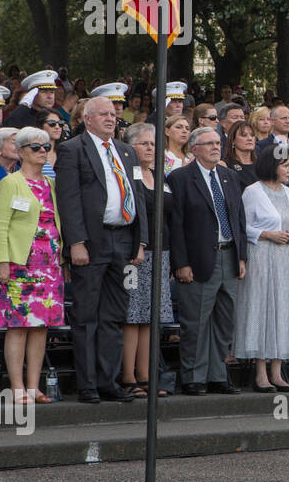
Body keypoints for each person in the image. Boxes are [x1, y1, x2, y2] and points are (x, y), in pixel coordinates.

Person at [54, 96, 148, 403]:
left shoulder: (126, 151)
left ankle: (109, 381)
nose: (111, 118)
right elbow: (68, 200)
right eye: (104, 114)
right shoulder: (72, 149)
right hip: (91, 243)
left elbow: (138, 197)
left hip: (123, 241)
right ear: (87, 118)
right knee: (86, 315)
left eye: (113, 114)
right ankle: (88, 384)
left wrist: (141, 241)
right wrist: (76, 242)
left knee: (114, 315)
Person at [169, 127, 247, 396]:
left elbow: (239, 219)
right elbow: (176, 224)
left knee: (225, 321)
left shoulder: (229, 177)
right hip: (198, 259)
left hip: (229, 255)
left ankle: (217, 374)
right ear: (195, 149)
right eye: (209, 143)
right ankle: (193, 376)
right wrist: (181, 263)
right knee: (197, 322)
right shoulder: (180, 178)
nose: (216, 147)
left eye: (218, 142)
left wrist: (242, 256)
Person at [234, 145, 289, 392]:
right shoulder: (253, 192)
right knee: (263, 308)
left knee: (283, 310)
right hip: (262, 256)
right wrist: (269, 234)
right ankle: (261, 372)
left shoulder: (287, 192)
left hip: (286, 258)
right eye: (285, 165)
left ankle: (277, 371)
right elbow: (244, 227)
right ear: (272, 166)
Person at [119, 122, 174, 398]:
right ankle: (128, 376)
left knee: (151, 317)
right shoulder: (128, 175)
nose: (150, 148)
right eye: (144, 143)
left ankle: (146, 374)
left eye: (153, 144)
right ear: (130, 146)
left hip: (161, 254)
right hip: (137, 254)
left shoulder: (159, 175)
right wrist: (137, 246)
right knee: (133, 315)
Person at [223, 120, 258, 187]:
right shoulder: (224, 165)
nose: (249, 138)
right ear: (233, 140)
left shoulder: (261, 164)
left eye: (252, 135)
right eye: (244, 135)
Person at [34, 108, 63, 179]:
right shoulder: (33, 151)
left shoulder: (64, 151)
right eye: (52, 123)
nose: (57, 127)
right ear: (40, 125)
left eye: (60, 124)